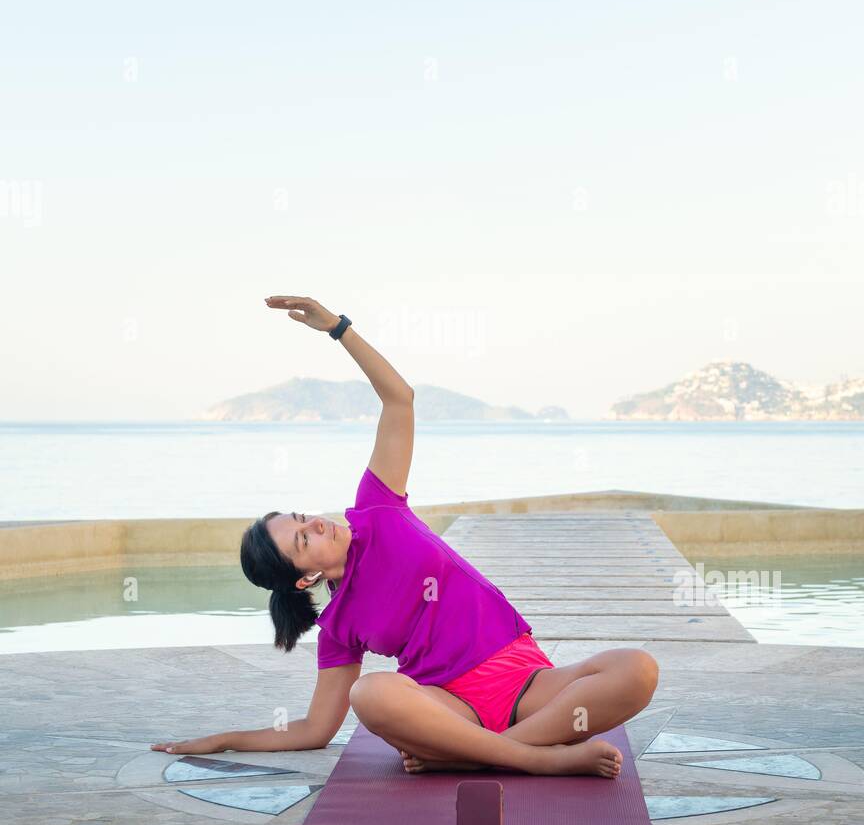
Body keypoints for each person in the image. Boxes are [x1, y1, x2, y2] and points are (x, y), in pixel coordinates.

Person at [152, 297, 659, 775]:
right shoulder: (338, 624)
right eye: (302, 541)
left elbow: (399, 399)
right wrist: (223, 740)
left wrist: (338, 328)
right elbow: (314, 729)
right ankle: (539, 759)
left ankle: (487, 757)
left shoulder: (377, 508)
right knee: (370, 695)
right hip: (451, 708)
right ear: (304, 579)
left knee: (637, 670)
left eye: (302, 518)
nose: (315, 524)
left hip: (528, 685)